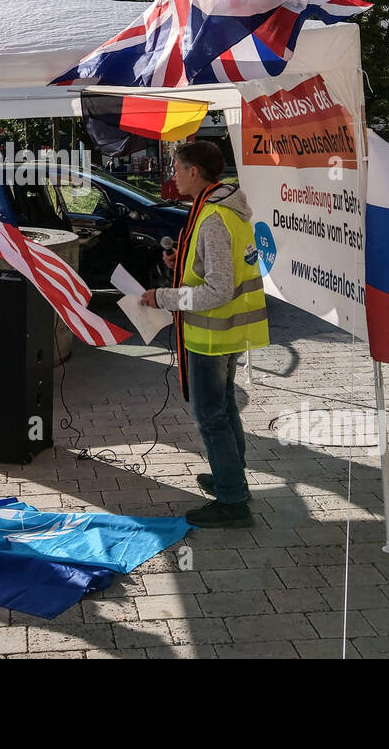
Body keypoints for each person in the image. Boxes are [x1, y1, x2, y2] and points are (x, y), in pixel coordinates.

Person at [140, 141, 267, 528]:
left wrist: (163, 296)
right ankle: (231, 480)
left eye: (177, 169)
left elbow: (218, 289)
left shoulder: (213, 217)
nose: (173, 176)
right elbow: (217, 268)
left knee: (210, 416)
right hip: (228, 333)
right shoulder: (228, 209)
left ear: (195, 172)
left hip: (212, 336)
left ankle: (232, 501)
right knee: (224, 410)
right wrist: (182, 262)